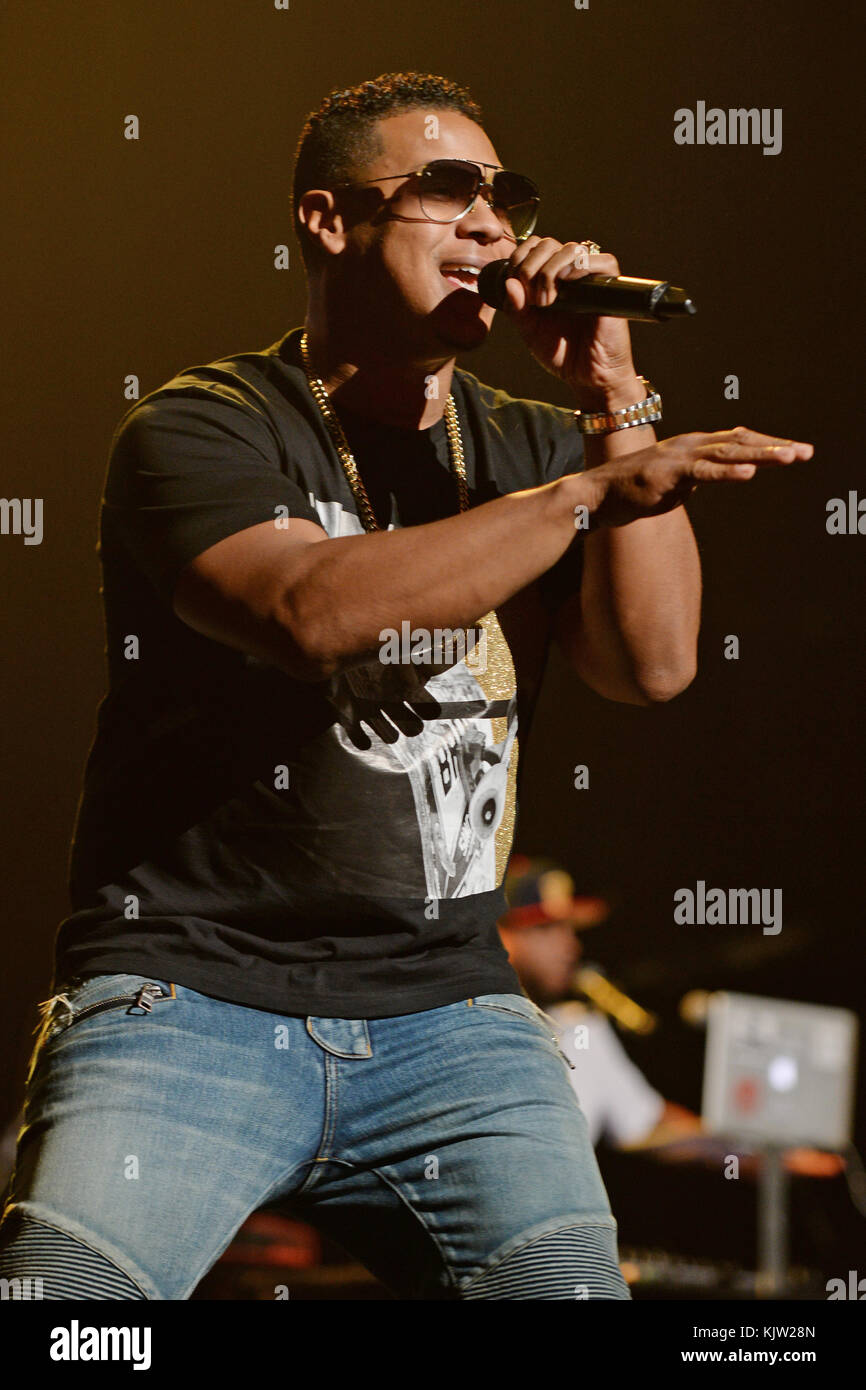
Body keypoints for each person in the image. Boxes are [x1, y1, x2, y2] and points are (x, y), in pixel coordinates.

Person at [0, 71, 813, 1302]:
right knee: (68, 1317)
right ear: (327, 220)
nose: (491, 223)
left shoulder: (541, 445)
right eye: (446, 190)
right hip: (190, 993)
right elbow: (308, 611)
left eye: (504, 195)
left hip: (449, 1010)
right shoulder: (203, 425)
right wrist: (585, 494)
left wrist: (610, 405)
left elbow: (650, 666)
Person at [498, 855, 845, 1177]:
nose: (570, 945)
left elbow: (650, 1125)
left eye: (570, 929)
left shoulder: (581, 1029)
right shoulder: (459, 1020)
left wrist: (763, 1153)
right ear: (497, 933)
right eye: (545, 929)